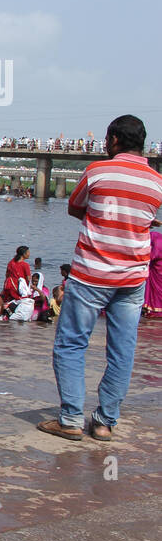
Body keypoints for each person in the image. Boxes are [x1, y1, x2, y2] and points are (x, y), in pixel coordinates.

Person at [42, 115, 162, 442]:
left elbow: (74, 207)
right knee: (122, 351)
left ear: (112, 141)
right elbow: (148, 221)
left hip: (91, 274)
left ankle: (70, 419)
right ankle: (105, 422)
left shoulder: (97, 171)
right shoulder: (156, 182)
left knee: (71, 344)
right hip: (133, 279)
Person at [145, 228, 162, 318]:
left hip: (157, 271)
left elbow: (152, 256)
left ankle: (154, 311)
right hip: (158, 270)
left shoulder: (157, 241)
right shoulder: (157, 239)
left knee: (156, 293)